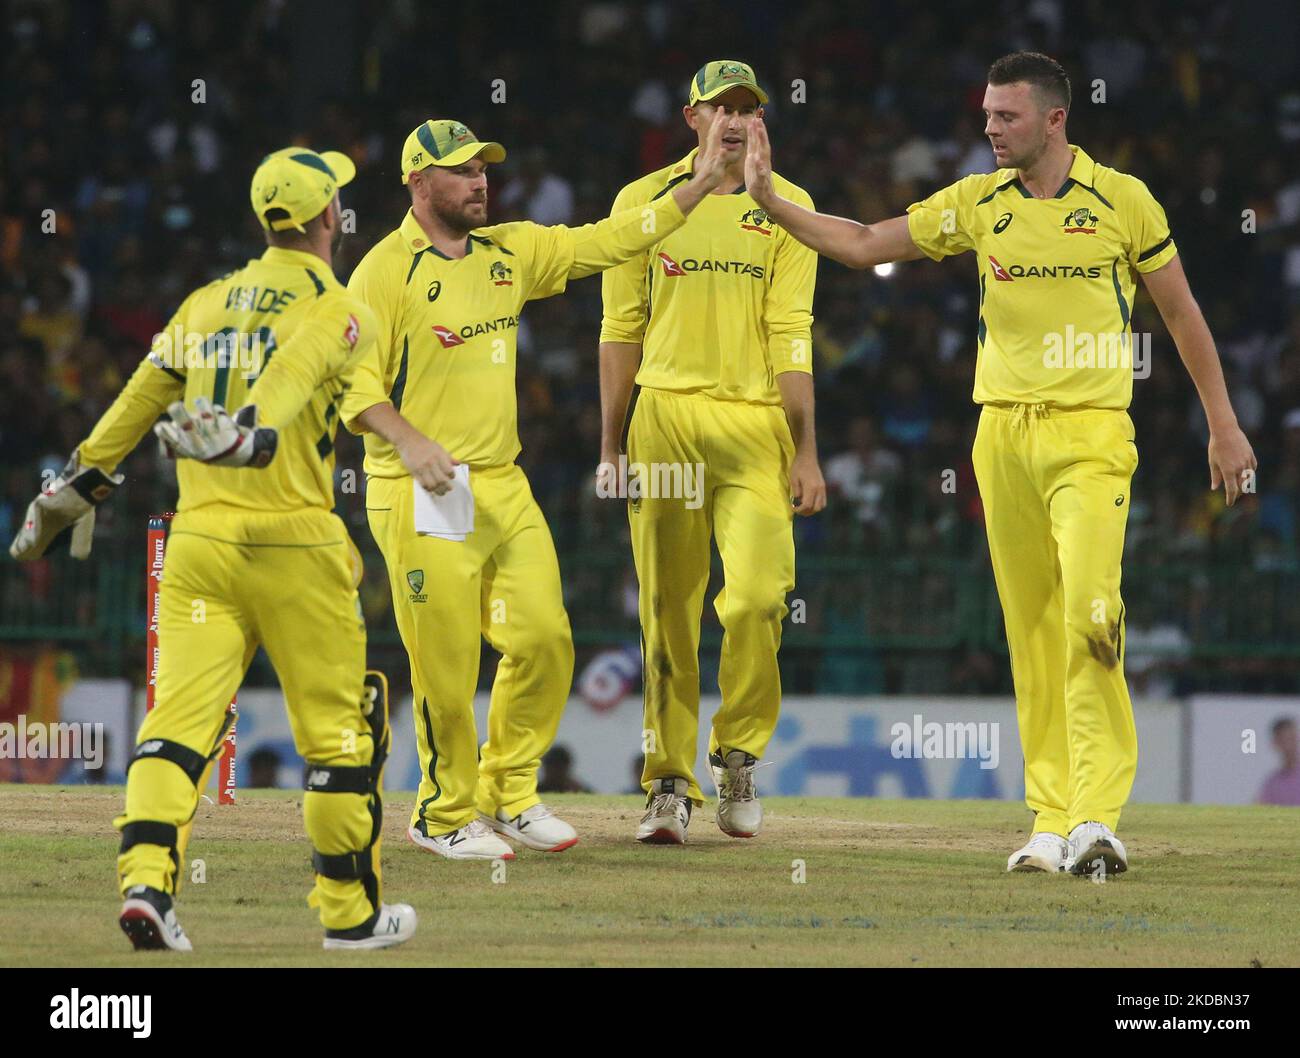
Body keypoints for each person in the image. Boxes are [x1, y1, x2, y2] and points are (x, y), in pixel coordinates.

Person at [743, 51, 1257, 875]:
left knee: (1091, 615)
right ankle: (1051, 821)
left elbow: (1181, 310)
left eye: (1005, 115)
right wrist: (771, 200)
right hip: (1002, 438)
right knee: (1032, 632)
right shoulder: (979, 203)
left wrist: (1222, 424)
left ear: (1055, 118)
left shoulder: (1122, 201)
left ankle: (1097, 816)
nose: (989, 128)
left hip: (1091, 436)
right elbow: (866, 243)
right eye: (986, 114)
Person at [10, 146, 416, 951]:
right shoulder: (340, 305)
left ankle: (146, 888)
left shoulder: (204, 303)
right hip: (296, 545)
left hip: (198, 543)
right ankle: (348, 915)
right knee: (339, 736)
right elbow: (297, 369)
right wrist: (251, 432)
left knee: (177, 725)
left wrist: (75, 487)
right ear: (329, 215)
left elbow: (134, 403)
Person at [341, 116, 729, 860]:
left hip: (502, 483)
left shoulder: (509, 252)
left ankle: (507, 791)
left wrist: (699, 185)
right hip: (420, 490)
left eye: (483, 168)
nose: (479, 181)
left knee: (546, 640)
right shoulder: (384, 272)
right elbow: (353, 390)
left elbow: (609, 240)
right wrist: (411, 442)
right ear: (418, 181)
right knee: (447, 665)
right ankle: (441, 813)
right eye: (461, 170)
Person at [598, 60, 823, 845]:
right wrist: (610, 443)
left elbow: (791, 333)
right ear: (691, 118)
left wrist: (807, 450)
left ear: (760, 121)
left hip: (756, 424)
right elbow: (620, 329)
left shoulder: (788, 206)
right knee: (667, 610)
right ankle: (667, 783)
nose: (733, 119)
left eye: (746, 108)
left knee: (759, 597)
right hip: (663, 417)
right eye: (718, 107)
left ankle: (737, 754)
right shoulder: (643, 202)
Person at [1257, 717, 1300, 806]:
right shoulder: (1272, 784)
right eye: (1284, 740)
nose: (1290, 745)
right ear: (1275, 743)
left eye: (1292, 738)